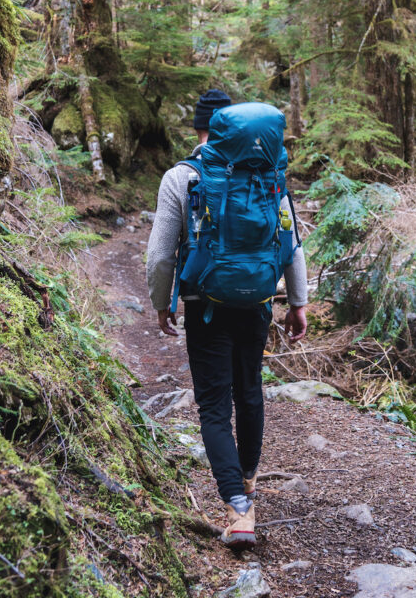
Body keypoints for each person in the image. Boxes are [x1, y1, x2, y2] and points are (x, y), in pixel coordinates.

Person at [146, 89, 308, 548]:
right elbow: (291, 243)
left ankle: (238, 508)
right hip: (258, 302)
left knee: (214, 405)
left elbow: (160, 255)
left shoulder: (182, 176)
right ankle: (248, 480)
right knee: (249, 391)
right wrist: (297, 302)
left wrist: (162, 302)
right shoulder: (269, 172)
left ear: (200, 127)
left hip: (205, 306)